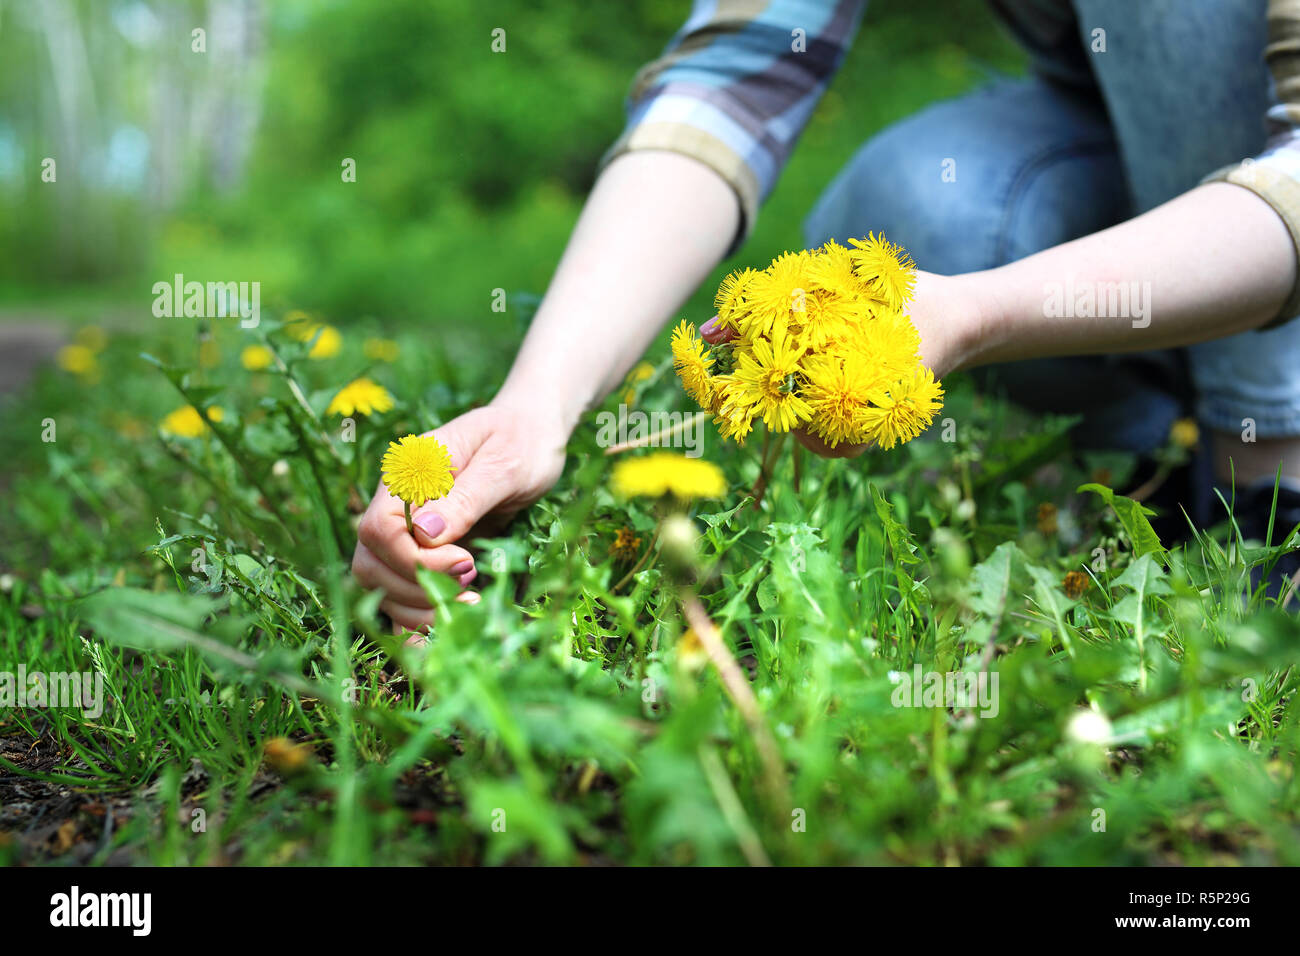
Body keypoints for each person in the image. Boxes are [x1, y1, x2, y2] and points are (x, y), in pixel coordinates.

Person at [353, 0, 1300, 630]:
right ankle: (1158, 443)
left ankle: (1262, 476)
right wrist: (536, 407)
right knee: (919, 206)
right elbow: (739, 72)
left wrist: (970, 314)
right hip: (1112, 122)